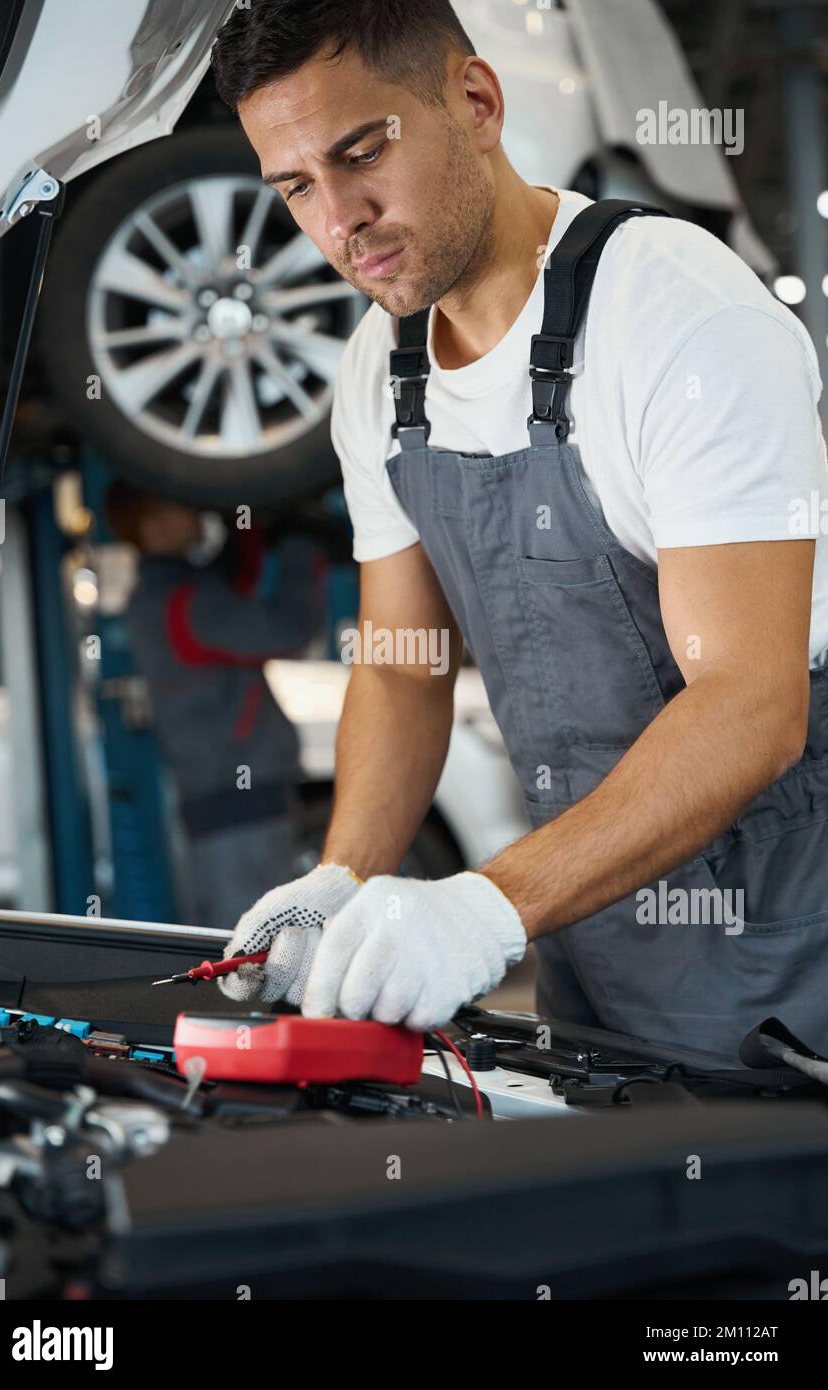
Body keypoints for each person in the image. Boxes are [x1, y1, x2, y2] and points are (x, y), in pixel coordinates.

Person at [208, 0, 828, 1056]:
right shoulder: (380, 370)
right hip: (584, 938)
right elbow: (405, 666)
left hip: (785, 945)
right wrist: (342, 876)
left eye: (362, 153)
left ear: (477, 102)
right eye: (296, 186)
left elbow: (751, 700)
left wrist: (485, 907)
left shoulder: (677, 318)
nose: (338, 219)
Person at [104, 480, 324, 931]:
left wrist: (245, 521)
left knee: (228, 942)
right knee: (254, 952)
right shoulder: (190, 603)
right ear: (155, 528)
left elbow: (234, 576)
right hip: (244, 811)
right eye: (181, 505)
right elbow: (291, 629)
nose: (195, 512)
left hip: (216, 806)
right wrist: (306, 545)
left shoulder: (160, 596)